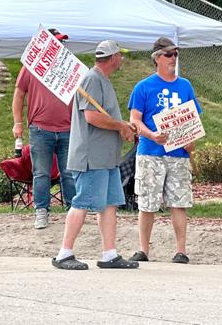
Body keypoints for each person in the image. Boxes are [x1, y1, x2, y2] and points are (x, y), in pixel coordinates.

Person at [52, 40, 138, 270]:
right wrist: (120, 126)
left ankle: (109, 254)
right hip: (92, 157)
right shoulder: (91, 79)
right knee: (82, 202)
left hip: (107, 158)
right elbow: (92, 117)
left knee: (109, 204)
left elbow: (103, 116)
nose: (122, 59)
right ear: (113, 58)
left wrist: (122, 126)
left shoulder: (103, 80)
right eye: (120, 55)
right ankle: (64, 253)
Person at [127, 37, 201, 264]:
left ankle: (181, 250)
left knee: (179, 202)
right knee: (147, 201)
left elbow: (193, 118)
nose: (173, 59)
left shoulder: (185, 85)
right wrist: (150, 134)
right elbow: (135, 120)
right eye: (169, 55)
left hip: (177, 154)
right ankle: (143, 249)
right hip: (151, 152)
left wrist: (191, 141)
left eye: (175, 55)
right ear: (157, 58)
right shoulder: (144, 87)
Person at [12, 28, 76, 229]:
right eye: (57, 43)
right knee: (41, 173)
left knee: (69, 172)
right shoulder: (31, 67)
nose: (61, 46)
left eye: (62, 43)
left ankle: (73, 212)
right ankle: (41, 210)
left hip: (67, 128)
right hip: (40, 128)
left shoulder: (69, 67)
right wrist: (18, 122)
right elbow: (19, 94)